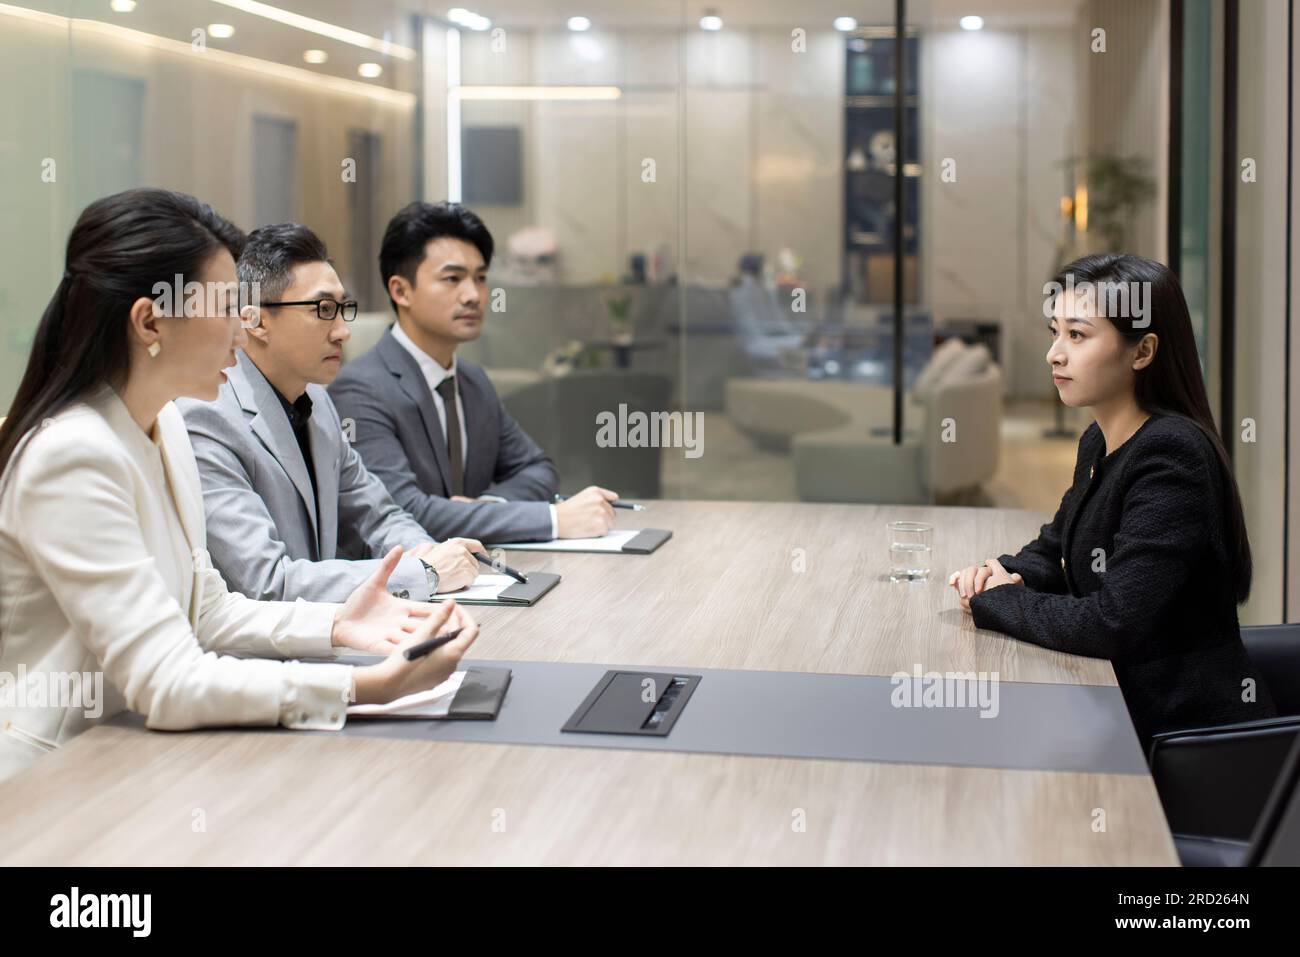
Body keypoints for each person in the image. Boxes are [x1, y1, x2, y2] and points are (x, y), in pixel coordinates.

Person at [0, 188, 477, 783]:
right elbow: (169, 680)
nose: (241, 326)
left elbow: (207, 610)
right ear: (151, 320)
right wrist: (361, 685)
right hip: (57, 780)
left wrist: (337, 627)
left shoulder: (165, 425)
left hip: (139, 755)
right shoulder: (71, 456)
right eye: (228, 306)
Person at [949, 253, 1276, 754]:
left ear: (1142, 351)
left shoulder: (1172, 455)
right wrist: (1003, 570)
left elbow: (1113, 623)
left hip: (1184, 746)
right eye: (1054, 332)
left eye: (1077, 336)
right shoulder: (1099, 442)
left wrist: (999, 601)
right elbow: (1057, 545)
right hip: (1115, 714)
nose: (1054, 354)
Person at [178, 222, 480, 603]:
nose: (342, 331)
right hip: (255, 654)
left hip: (329, 634)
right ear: (255, 321)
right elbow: (268, 583)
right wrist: (426, 572)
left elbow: (379, 515)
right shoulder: (206, 416)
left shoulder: (317, 400)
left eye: (343, 308)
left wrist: (429, 555)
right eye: (323, 309)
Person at [329, 201, 618, 544]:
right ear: (400, 290)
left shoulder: (471, 380)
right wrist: (552, 519)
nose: (473, 295)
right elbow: (404, 512)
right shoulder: (361, 389)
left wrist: (488, 505)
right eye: (452, 279)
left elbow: (538, 469)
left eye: (480, 278)